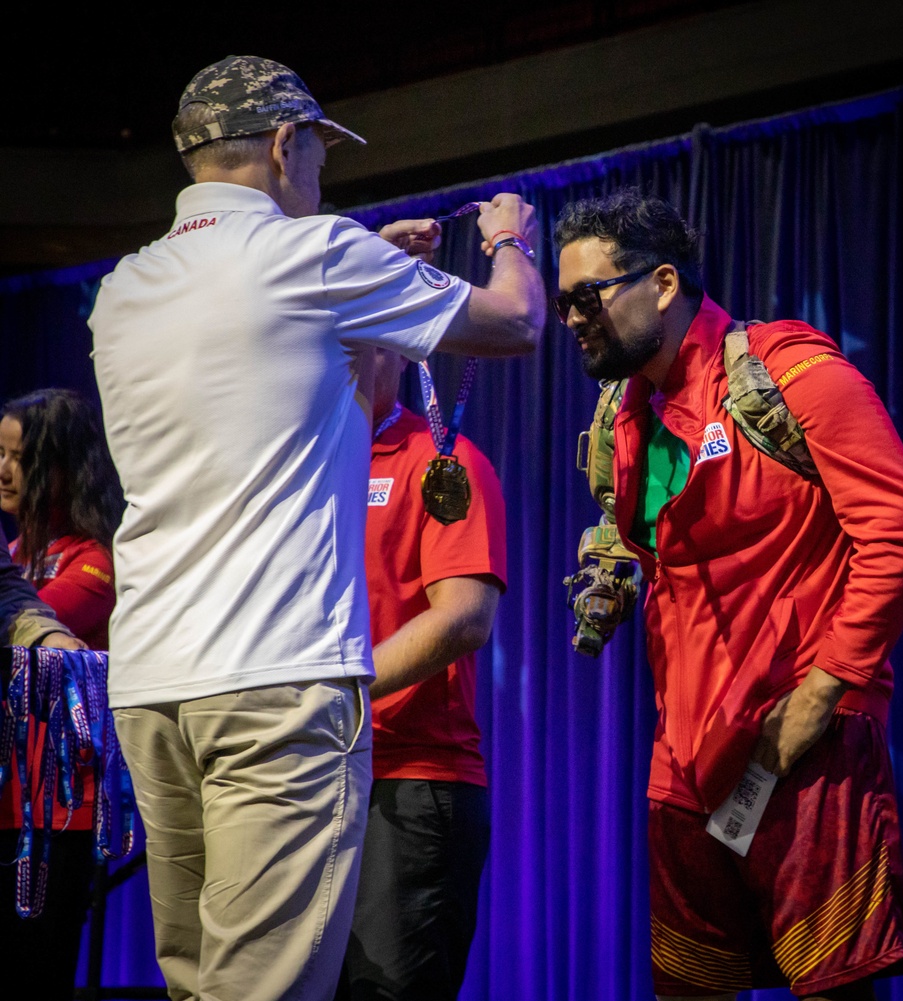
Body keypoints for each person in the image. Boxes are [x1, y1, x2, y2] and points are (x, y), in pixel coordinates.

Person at [87, 54, 545, 1001]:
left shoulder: (124, 287)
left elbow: (258, 338)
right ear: (287, 144)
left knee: (198, 983)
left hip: (154, 686)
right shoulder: (317, 253)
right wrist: (511, 241)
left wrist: (369, 256)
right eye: (321, 161)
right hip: (275, 682)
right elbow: (516, 324)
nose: (320, 183)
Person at [553, 188, 903, 1001]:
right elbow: (647, 542)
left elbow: (902, 527)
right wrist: (615, 569)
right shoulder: (622, 419)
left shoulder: (789, 369)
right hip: (686, 761)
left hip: (802, 742)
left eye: (587, 297)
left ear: (662, 283)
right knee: (690, 990)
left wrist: (824, 691)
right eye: (563, 304)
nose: (572, 319)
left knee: (833, 988)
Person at [336, 349, 505, 1001]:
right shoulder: (300, 469)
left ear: (397, 349)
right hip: (305, 775)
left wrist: (333, 694)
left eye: (358, 339)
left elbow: (464, 618)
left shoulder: (441, 460)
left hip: (406, 782)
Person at [0, 387, 122, 999]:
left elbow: (24, 639)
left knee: (35, 974)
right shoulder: (14, 555)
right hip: (6, 799)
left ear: (64, 466)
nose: (2, 470)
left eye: (18, 457)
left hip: (57, 810)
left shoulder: (96, 561)